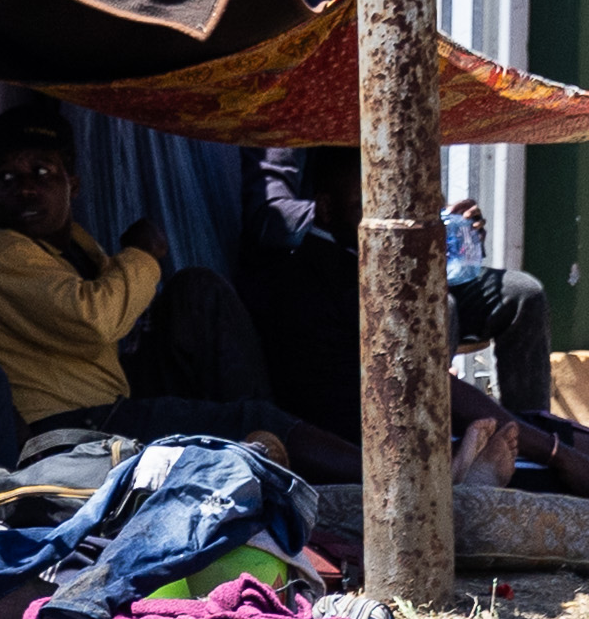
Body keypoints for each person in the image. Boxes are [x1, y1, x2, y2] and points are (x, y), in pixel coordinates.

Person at [0, 105, 361, 481]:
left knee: (197, 292)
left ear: (72, 184)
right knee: (254, 419)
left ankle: (264, 444)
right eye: (8, 179)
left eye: (41, 173)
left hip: (111, 403)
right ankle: (376, 477)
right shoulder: (0, 253)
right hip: (72, 428)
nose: (25, 189)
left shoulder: (71, 243)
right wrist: (143, 254)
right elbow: (96, 320)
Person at [243, 146, 589, 489]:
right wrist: (556, 453)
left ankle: (526, 428)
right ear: (328, 209)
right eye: (370, 206)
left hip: (419, 401)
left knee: (521, 294)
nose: (392, 219)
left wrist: (444, 228)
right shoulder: (338, 281)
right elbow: (440, 390)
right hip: (394, 442)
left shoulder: (364, 265)